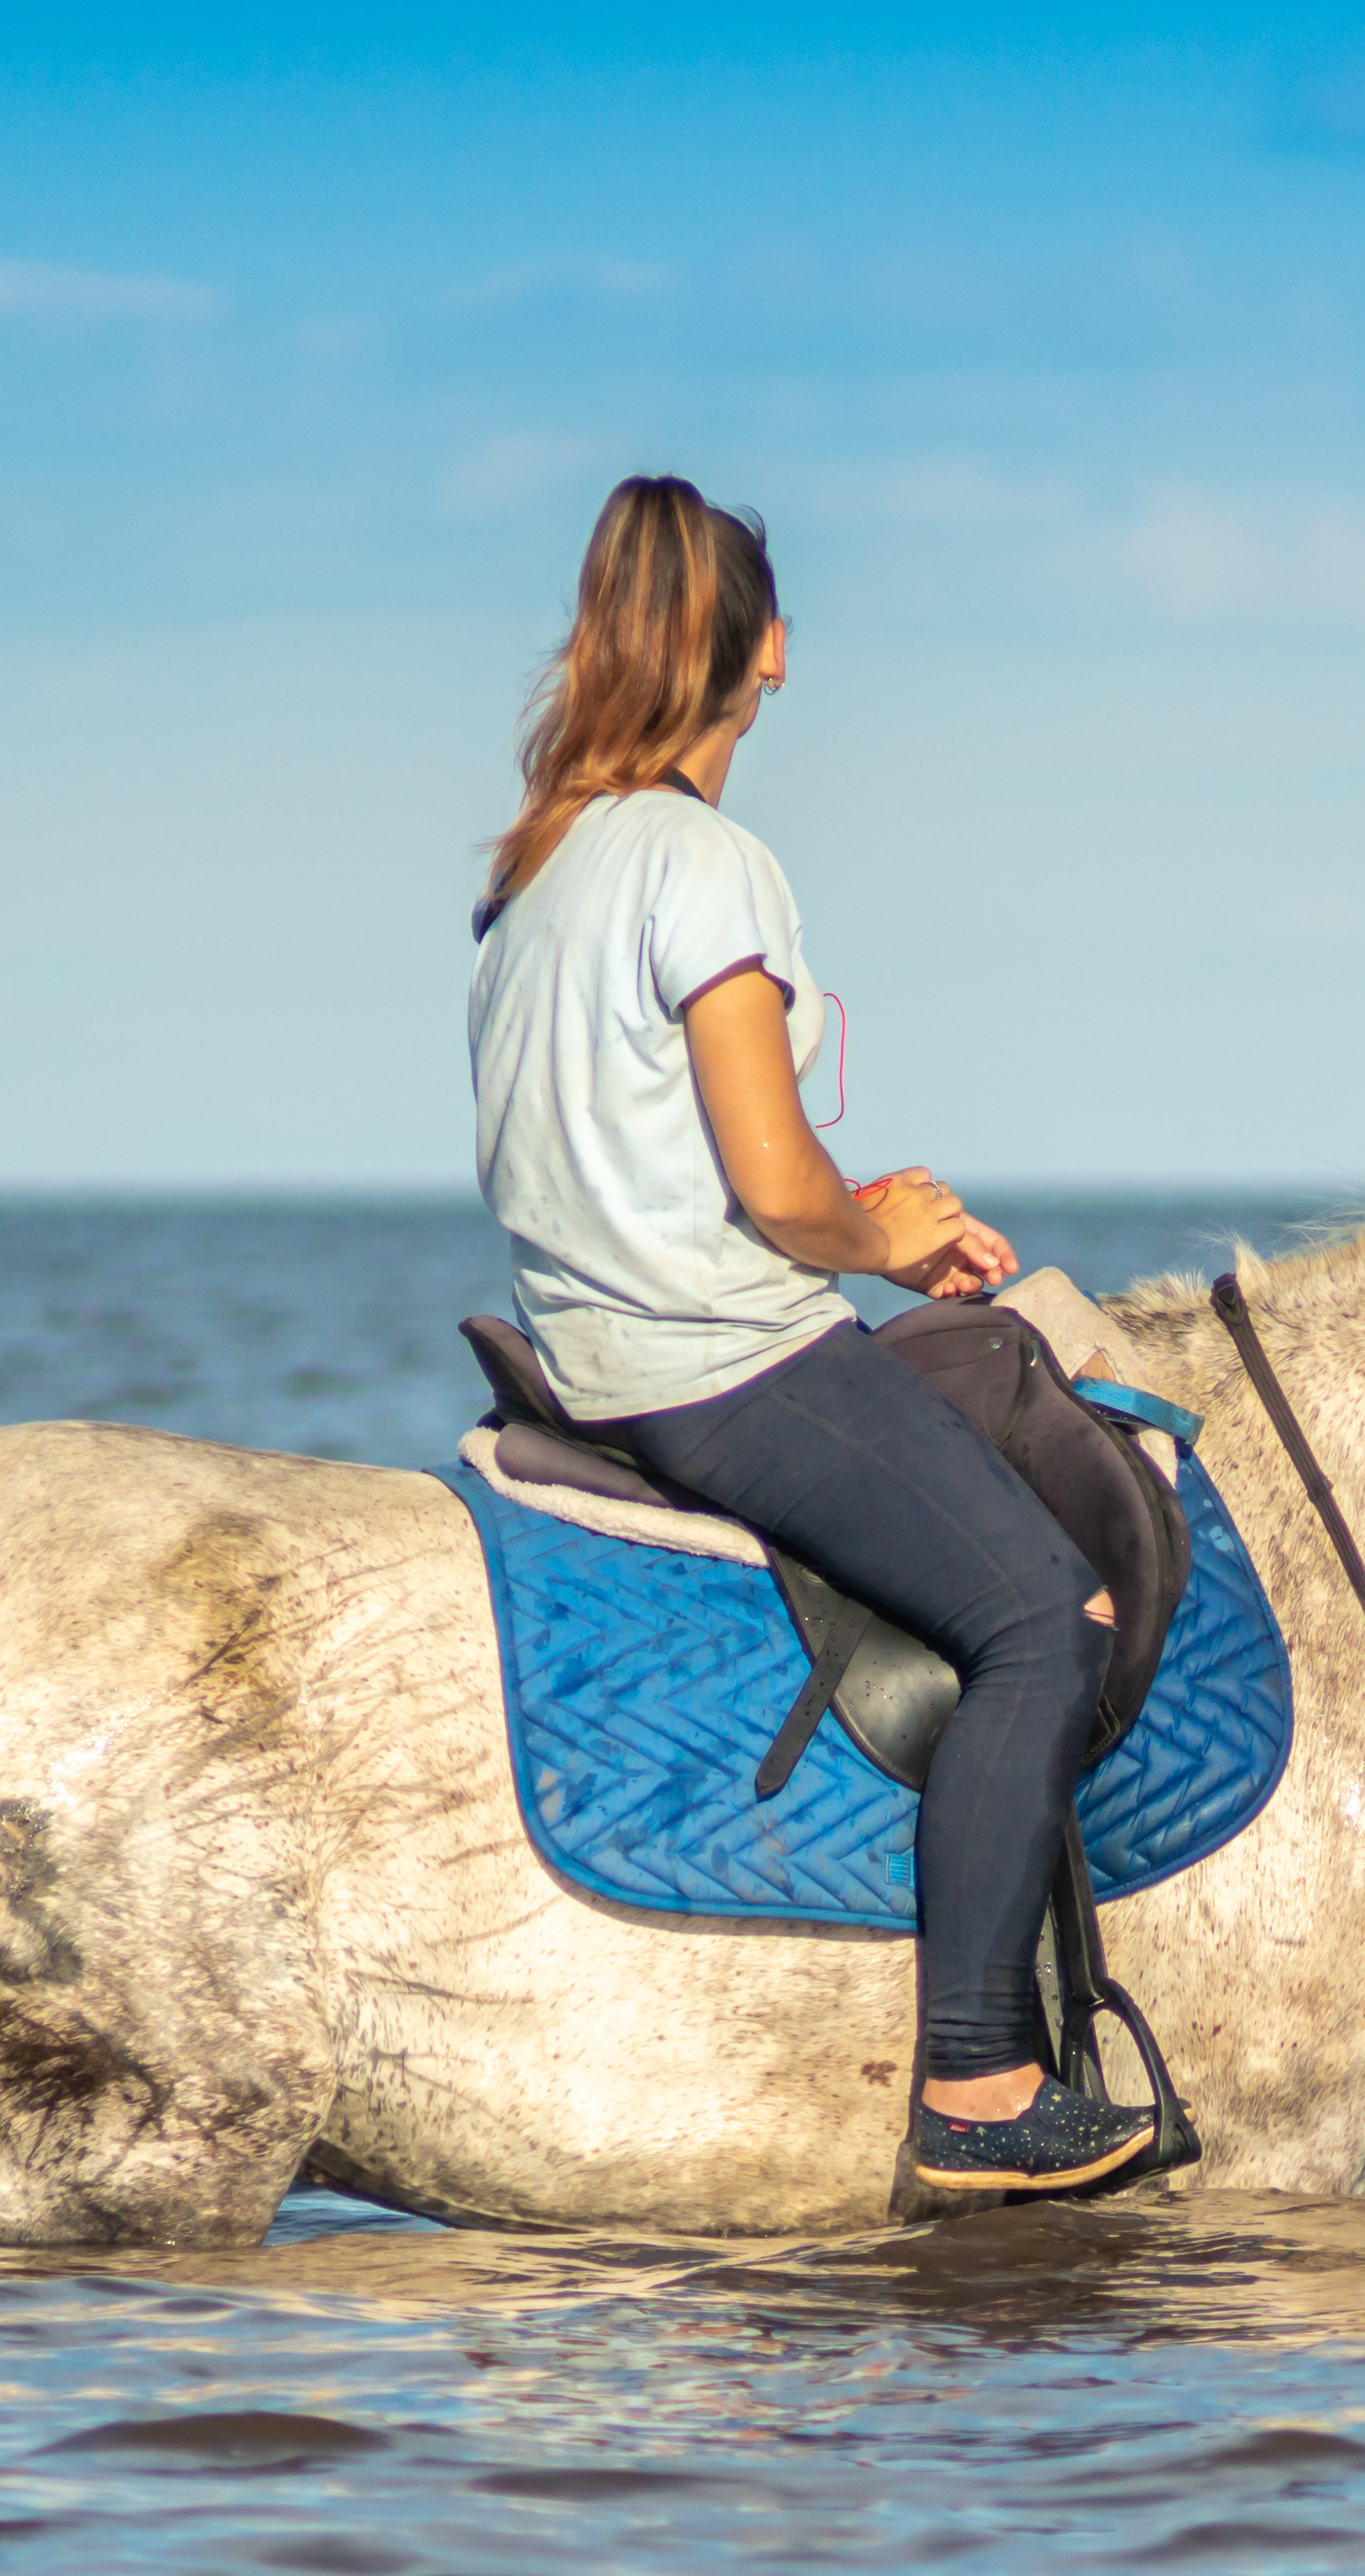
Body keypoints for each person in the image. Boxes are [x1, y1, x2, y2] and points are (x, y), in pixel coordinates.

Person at [466, 475, 1159, 2198]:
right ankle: (982, 2090)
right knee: (1039, 1622)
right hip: (723, 1358)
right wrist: (891, 1233)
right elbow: (778, 1196)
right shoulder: (709, 863)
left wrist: (869, 1227)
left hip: (595, 1356)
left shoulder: (527, 882)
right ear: (767, 651)